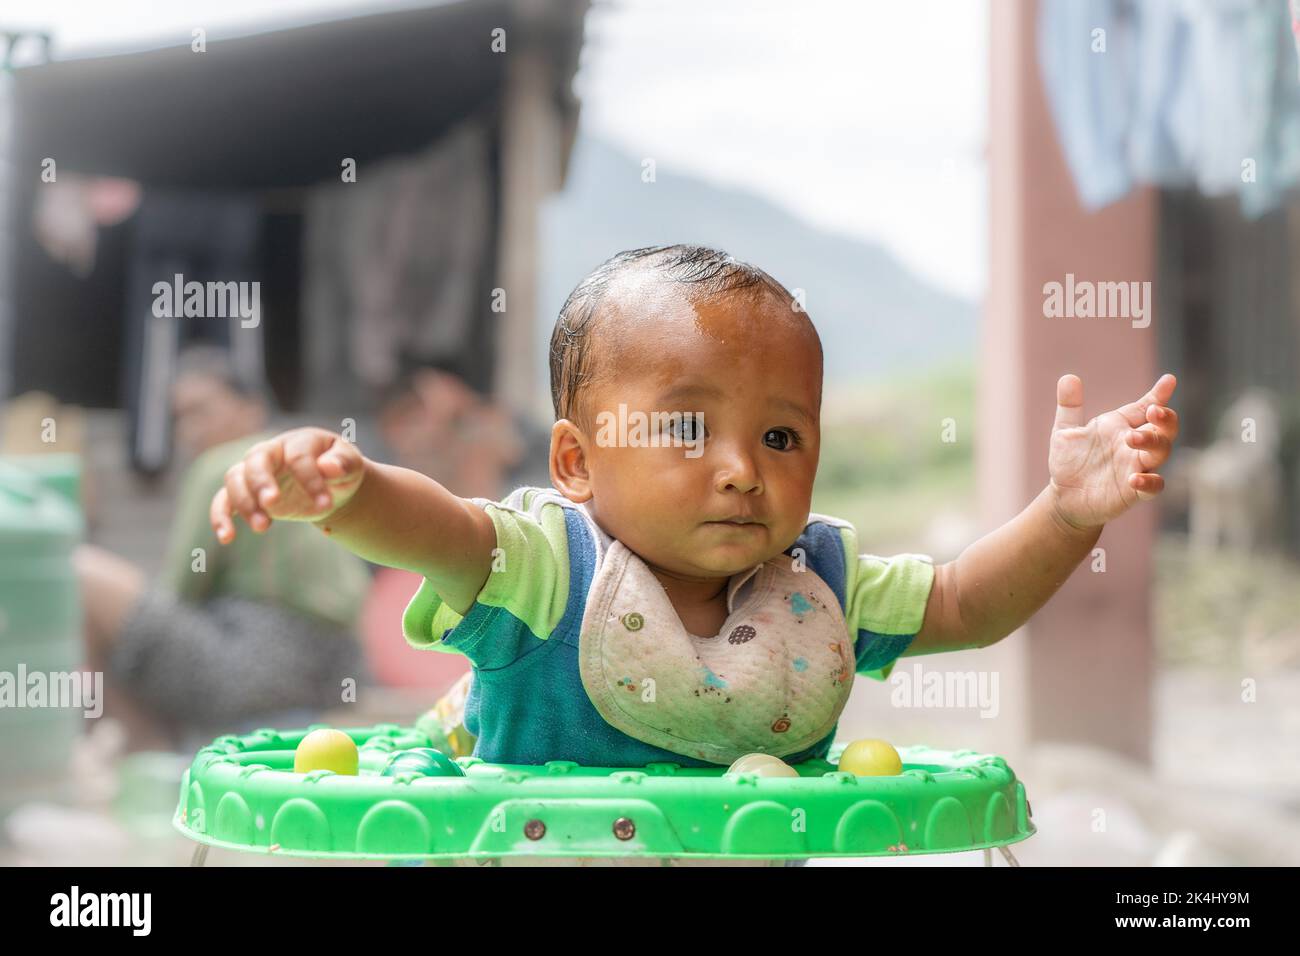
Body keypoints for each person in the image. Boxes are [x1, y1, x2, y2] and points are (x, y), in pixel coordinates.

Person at [209, 244, 1181, 865]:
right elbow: (441, 528)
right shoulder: (550, 568)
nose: (740, 470)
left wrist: (1065, 512)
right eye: (688, 430)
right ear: (575, 461)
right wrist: (348, 488)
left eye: (780, 437)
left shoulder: (822, 586)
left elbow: (967, 602)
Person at [76, 346, 371, 752]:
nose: (187, 431)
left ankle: (145, 757)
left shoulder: (226, 463)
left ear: (250, 409)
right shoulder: (299, 459)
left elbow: (180, 588)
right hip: (337, 670)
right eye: (180, 418)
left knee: (79, 574)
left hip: (256, 668)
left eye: (200, 411)